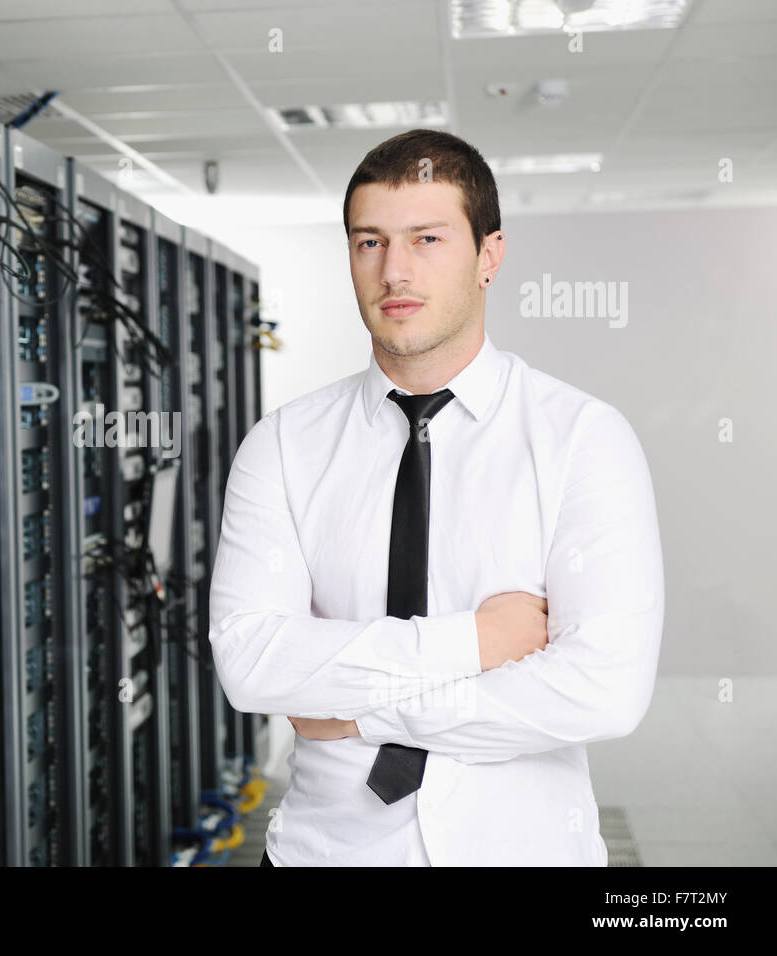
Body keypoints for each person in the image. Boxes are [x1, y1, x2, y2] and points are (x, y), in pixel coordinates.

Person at [209, 128, 664, 866]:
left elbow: (603, 690)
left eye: (427, 238)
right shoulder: (283, 446)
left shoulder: (582, 438)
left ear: (489, 255)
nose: (395, 271)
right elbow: (251, 662)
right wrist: (475, 644)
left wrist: (359, 716)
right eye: (369, 242)